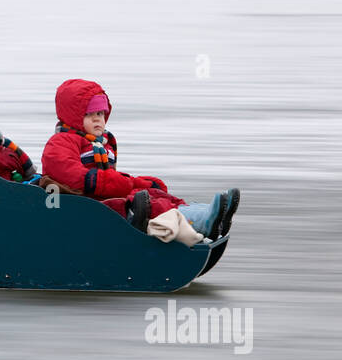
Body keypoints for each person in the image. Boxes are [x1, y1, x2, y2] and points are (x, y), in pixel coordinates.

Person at [40, 79, 239, 242]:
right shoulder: (60, 142)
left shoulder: (104, 142)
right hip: (85, 205)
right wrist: (124, 184)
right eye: (89, 114)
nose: (97, 119)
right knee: (139, 203)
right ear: (73, 117)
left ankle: (206, 216)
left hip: (101, 197)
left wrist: (136, 183)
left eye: (100, 113)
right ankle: (197, 222)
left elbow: (112, 176)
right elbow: (70, 175)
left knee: (154, 192)